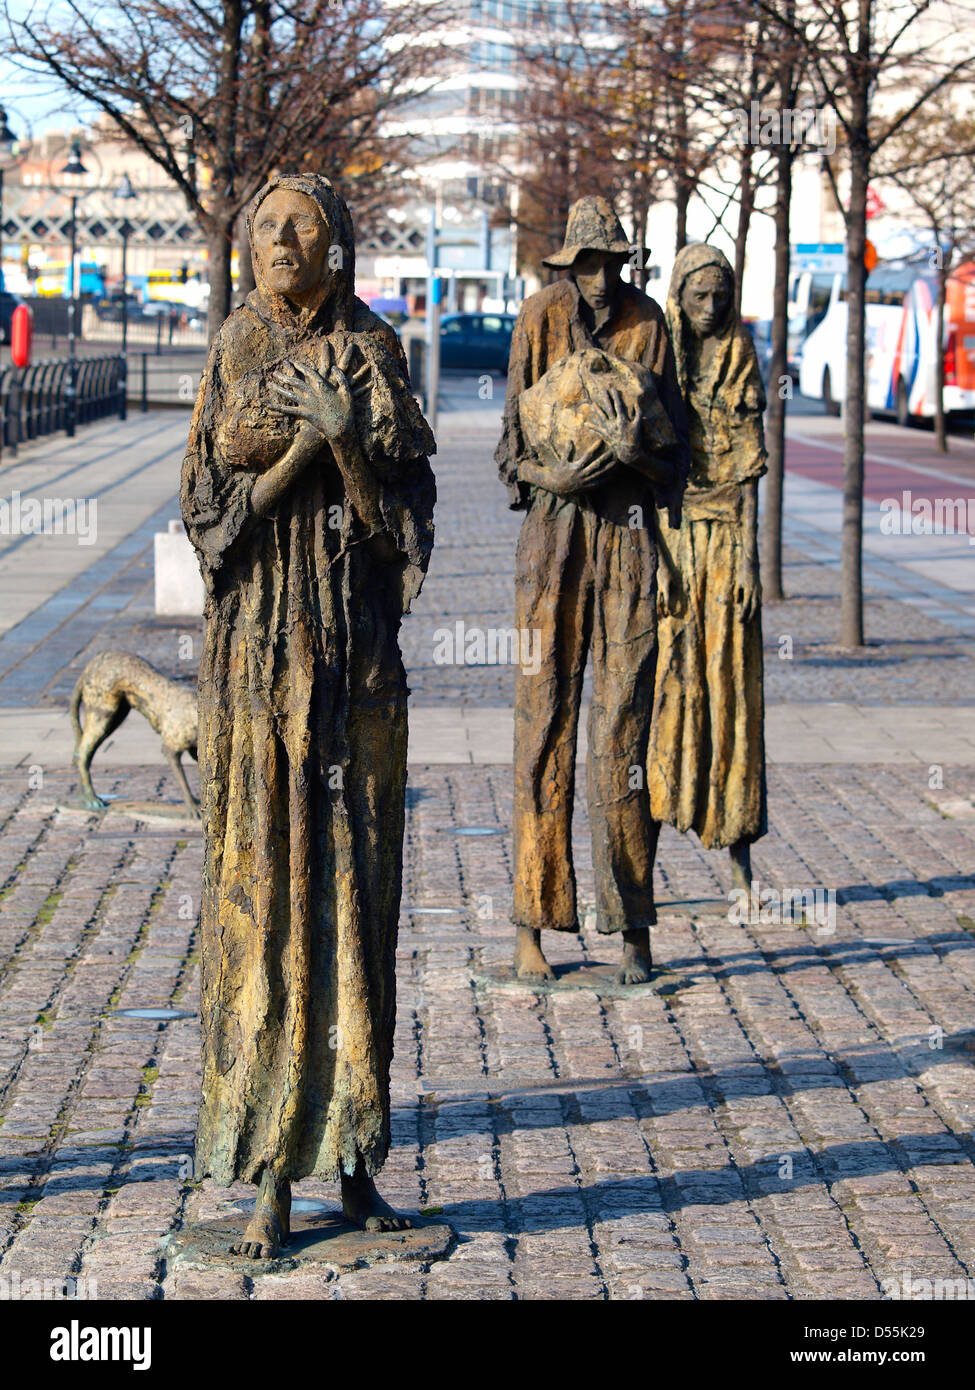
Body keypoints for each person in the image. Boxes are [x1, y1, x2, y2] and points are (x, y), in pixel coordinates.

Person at [180, 174, 435, 1259]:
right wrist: (307, 448)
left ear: (338, 244)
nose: (284, 239)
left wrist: (350, 452)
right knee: (268, 895)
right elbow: (210, 519)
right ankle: (270, 1172)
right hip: (255, 666)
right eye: (268, 225)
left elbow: (405, 536)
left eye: (305, 224)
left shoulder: (376, 349)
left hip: (356, 665)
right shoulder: (235, 346)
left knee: (357, 896)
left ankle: (356, 1162)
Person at [496, 195, 689, 985]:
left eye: (610, 262)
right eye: (586, 264)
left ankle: (632, 926)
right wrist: (557, 473)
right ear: (566, 266)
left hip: (627, 540)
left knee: (624, 731)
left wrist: (624, 455)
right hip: (551, 540)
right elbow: (510, 449)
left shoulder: (649, 323)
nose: (600, 277)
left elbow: (677, 455)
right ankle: (530, 927)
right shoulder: (538, 317)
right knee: (541, 725)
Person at [648, 243, 767, 896]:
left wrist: (749, 556)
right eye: (699, 295)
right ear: (677, 294)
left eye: (720, 296)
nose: (711, 307)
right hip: (670, 540)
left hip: (724, 545)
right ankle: (659, 816)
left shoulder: (739, 352)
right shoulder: (659, 353)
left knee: (732, 688)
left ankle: (737, 841)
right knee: (672, 685)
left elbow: (748, 464)